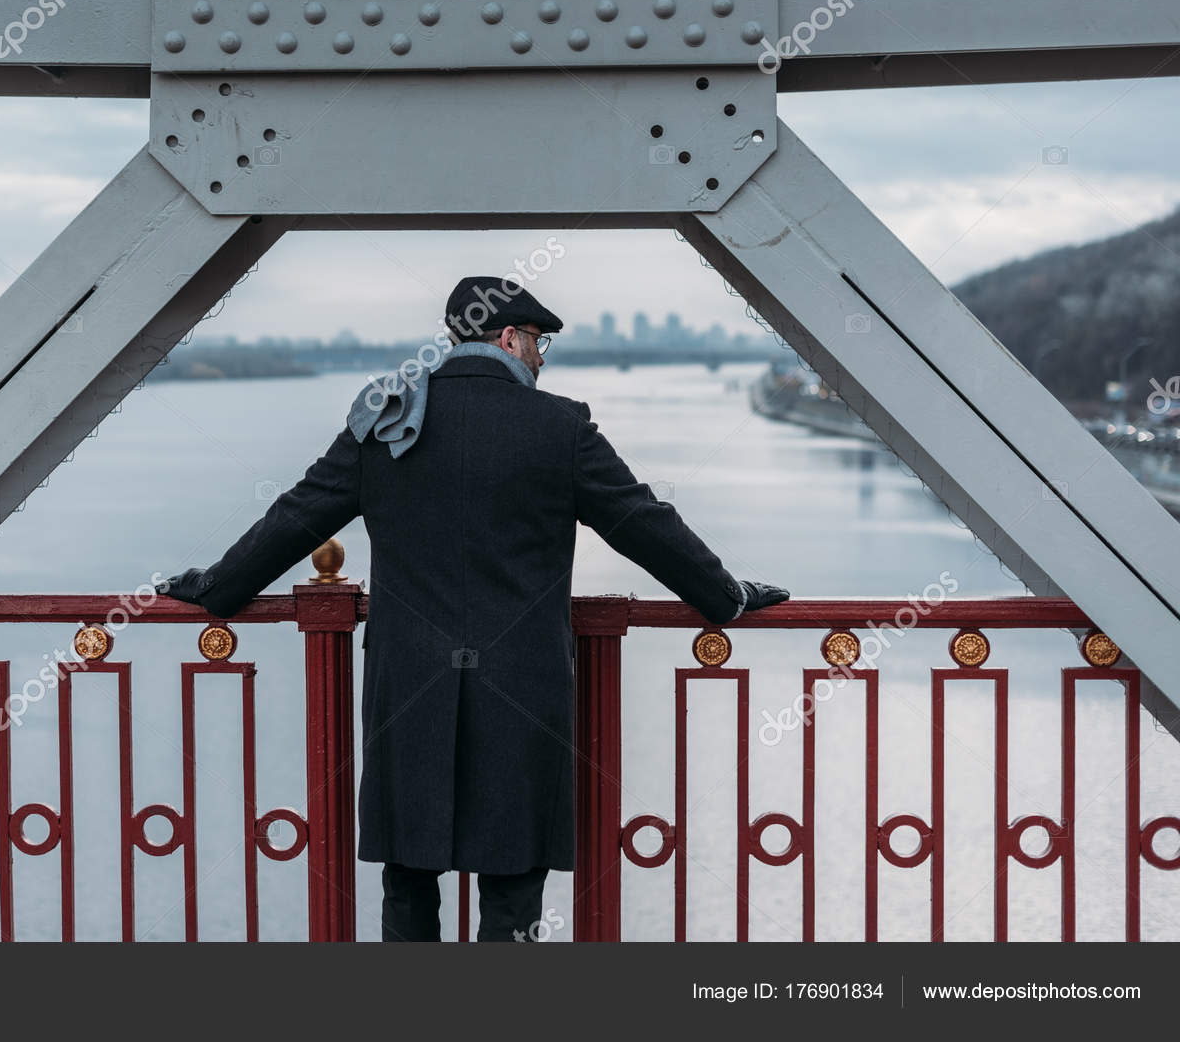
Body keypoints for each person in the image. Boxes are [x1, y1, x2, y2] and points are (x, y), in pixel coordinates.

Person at [159, 275, 789, 941]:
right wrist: (726, 597)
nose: (541, 359)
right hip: (523, 685)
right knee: (513, 899)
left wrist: (219, 587)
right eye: (540, 343)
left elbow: (298, 514)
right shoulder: (560, 428)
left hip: (409, 685)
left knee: (407, 884)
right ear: (510, 337)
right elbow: (641, 523)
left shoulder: (387, 420)